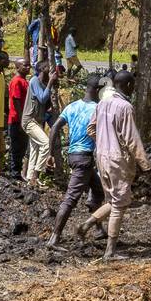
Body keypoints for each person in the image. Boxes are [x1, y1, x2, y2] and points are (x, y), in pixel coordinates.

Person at [78, 69, 150, 262]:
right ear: (126, 85)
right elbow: (132, 140)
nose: (133, 88)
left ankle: (88, 223)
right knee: (119, 204)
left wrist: (103, 141)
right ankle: (110, 251)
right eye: (132, 85)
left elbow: (90, 128)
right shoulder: (125, 107)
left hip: (101, 157)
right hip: (118, 159)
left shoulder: (102, 103)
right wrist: (146, 166)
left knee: (113, 199)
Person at [45, 74, 103, 250]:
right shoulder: (98, 109)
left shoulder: (72, 106)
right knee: (70, 199)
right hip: (84, 158)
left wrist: (51, 153)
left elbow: (55, 127)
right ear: (98, 90)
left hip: (73, 156)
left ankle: (99, 227)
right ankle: (54, 239)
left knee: (99, 189)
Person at [22, 64, 57, 185]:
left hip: (38, 121)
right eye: (48, 67)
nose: (51, 69)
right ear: (42, 69)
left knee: (35, 150)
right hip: (30, 120)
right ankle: (36, 175)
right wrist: (50, 83)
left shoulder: (43, 84)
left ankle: (30, 178)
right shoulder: (34, 81)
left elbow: (45, 104)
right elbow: (42, 98)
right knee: (46, 144)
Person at [7, 58, 31, 178]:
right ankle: (14, 174)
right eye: (25, 65)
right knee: (16, 148)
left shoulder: (24, 81)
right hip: (17, 120)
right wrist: (22, 120)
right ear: (17, 67)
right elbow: (16, 101)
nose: (28, 67)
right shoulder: (16, 81)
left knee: (22, 148)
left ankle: (17, 173)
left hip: (22, 120)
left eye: (29, 65)